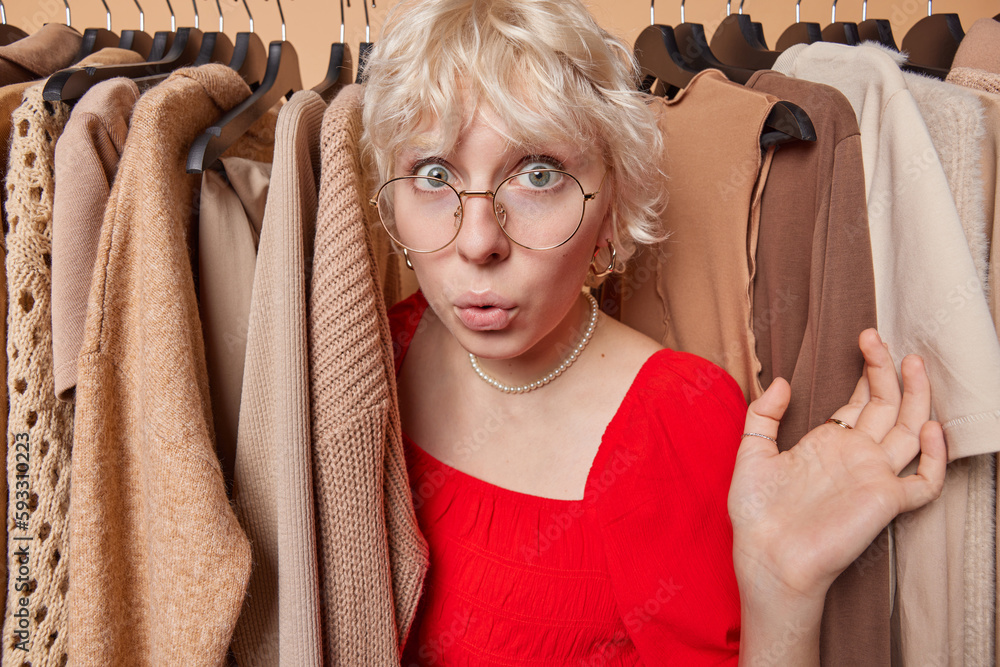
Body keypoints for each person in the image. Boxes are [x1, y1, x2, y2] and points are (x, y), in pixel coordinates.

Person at [360, 0, 947, 663]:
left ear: (612, 205)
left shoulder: (673, 421)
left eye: (538, 175)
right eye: (435, 175)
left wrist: (782, 585)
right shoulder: (367, 357)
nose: (478, 240)